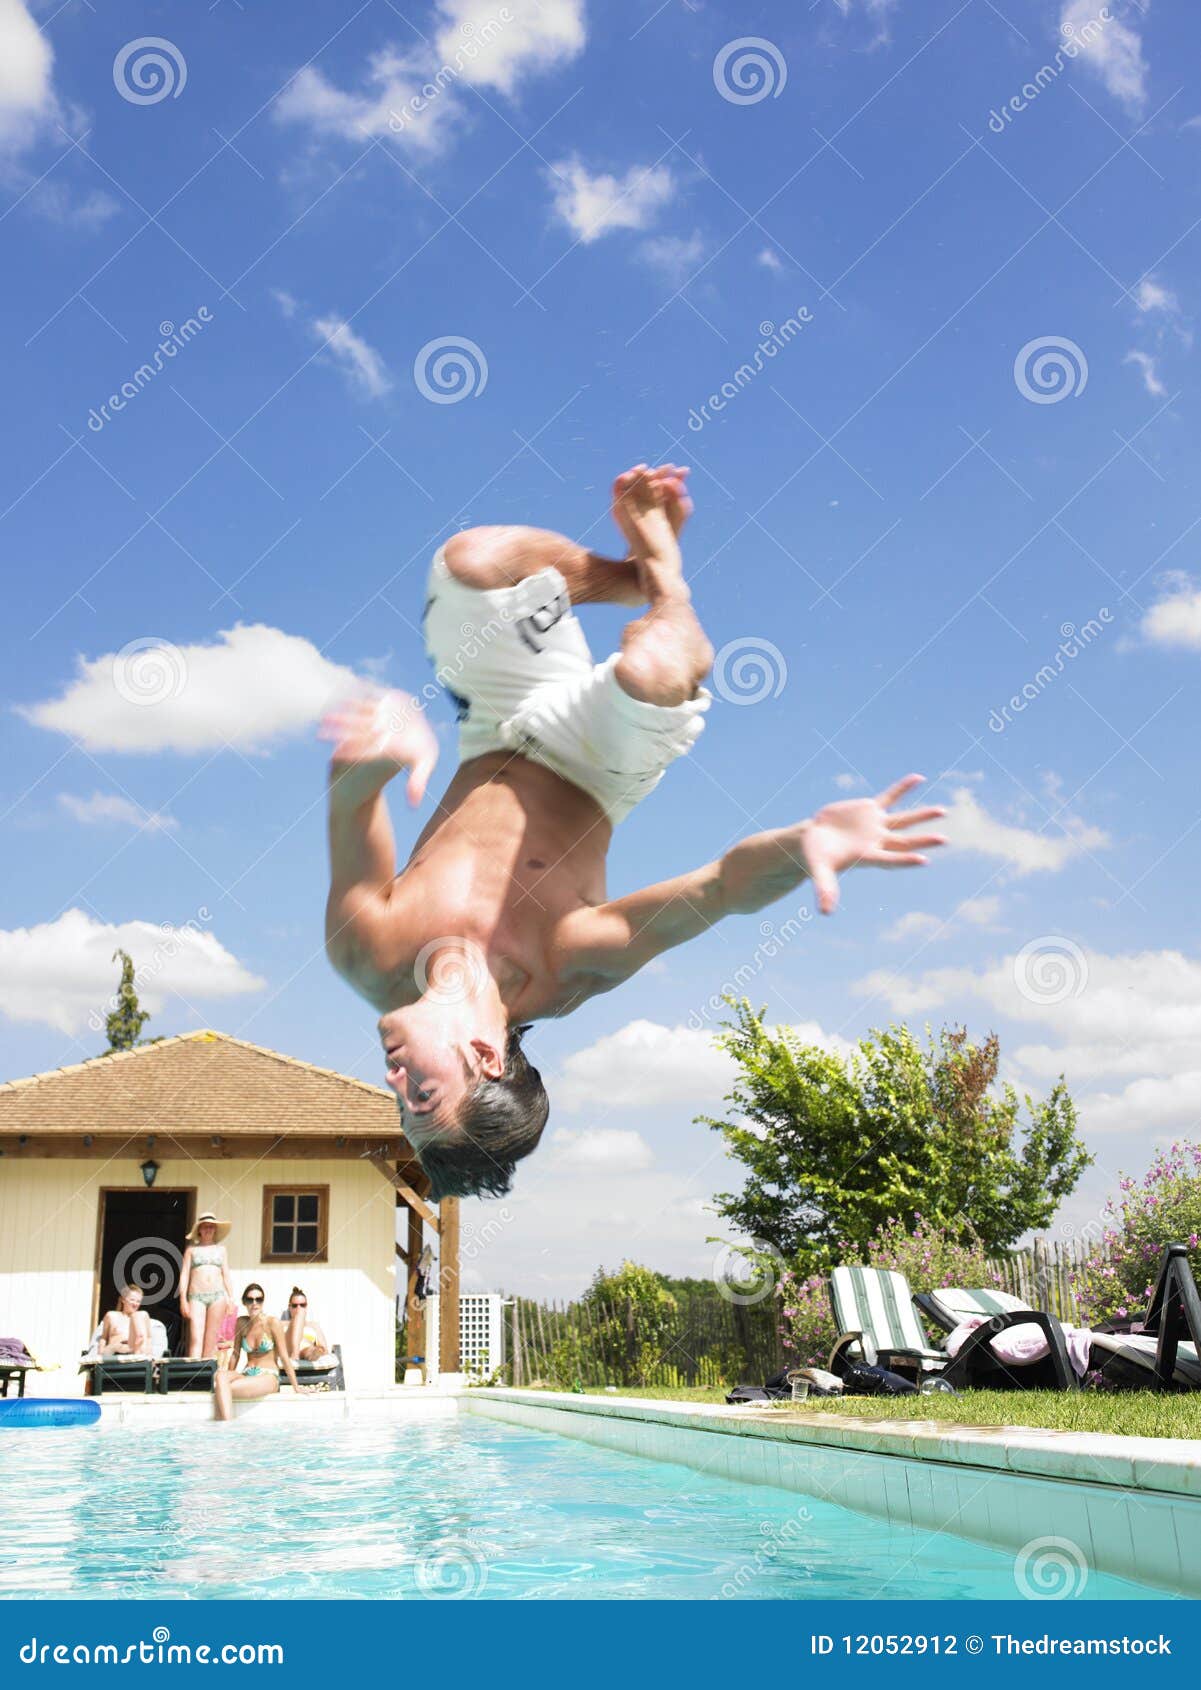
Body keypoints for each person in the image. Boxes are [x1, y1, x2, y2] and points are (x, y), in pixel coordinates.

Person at [321, 463, 946, 1201]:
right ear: (484, 1056)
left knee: (473, 559)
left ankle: (628, 573)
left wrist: (388, 749)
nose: (392, 1079)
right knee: (653, 668)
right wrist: (802, 844)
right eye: (419, 1094)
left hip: (494, 725)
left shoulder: (366, 955)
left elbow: (348, 800)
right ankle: (668, 579)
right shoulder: (569, 965)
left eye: (399, 1102)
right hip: (597, 761)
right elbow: (718, 889)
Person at [213, 1284, 300, 1421]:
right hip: (247, 1373)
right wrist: (230, 1375)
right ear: (244, 1302)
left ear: (263, 1302)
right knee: (220, 1377)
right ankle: (226, 1423)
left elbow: (284, 1356)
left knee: (223, 1389)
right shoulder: (241, 1322)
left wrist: (296, 1386)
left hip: (268, 1376)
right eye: (250, 1300)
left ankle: (226, 1426)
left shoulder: (272, 1323)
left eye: (258, 1299)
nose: (254, 1303)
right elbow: (235, 1354)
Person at [179, 1212, 234, 1360]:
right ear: (199, 1230)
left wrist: (231, 1298)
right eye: (204, 1227)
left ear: (215, 1229)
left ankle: (206, 1377)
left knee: (211, 1339)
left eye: (211, 1227)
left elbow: (226, 1274)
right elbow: (184, 1274)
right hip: (196, 1296)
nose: (208, 1229)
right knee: (196, 1338)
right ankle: (193, 1376)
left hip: (217, 1296)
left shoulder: (221, 1250)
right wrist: (183, 1299)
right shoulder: (191, 1250)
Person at [98, 1285, 152, 1357]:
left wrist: (150, 1355)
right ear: (123, 1299)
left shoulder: (141, 1317)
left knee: (141, 1314)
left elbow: (148, 1339)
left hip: (133, 1352)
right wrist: (99, 1355)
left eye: (138, 1301)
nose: (135, 1304)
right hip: (114, 1352)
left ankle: (141, 1358)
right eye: (132, 1300)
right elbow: (103, 1338)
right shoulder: (111, 1316)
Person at [283, 1287, 329, 1363]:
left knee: (311, 1349)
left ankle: (306, 1353)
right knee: (300, 1314)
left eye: (302, 1305)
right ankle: (295, 1353)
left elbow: (325, 1350)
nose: (299, 1308)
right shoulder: (282, 1324)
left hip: (306, 1351)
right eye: (295, 1305)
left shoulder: (313, 1326)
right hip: (288, 1349)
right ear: (289, 1307)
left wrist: (319, 1350)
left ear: (306, 1306)